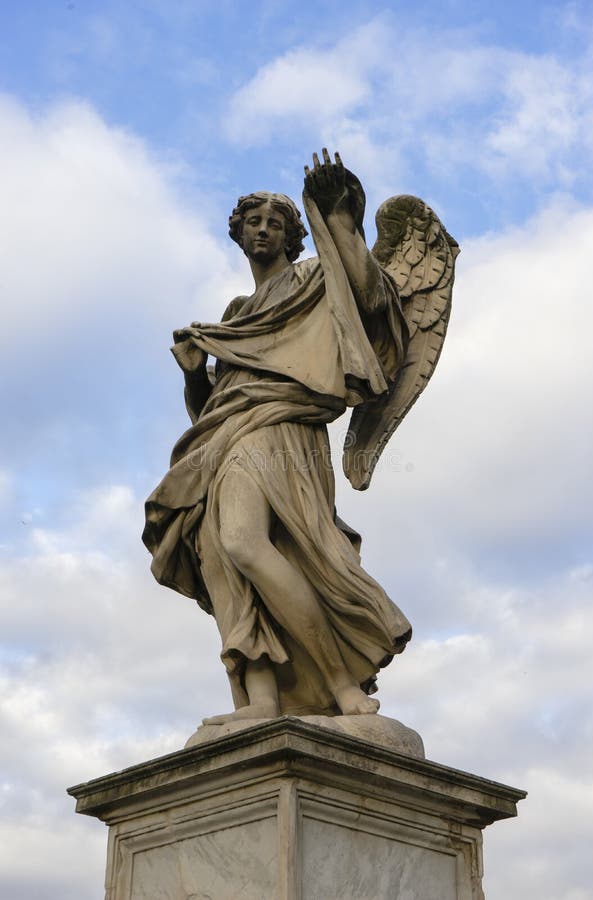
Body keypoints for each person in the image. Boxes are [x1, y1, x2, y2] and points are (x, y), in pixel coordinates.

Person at [143, 150, 412, 723]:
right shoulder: (238, 314)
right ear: (238, 234)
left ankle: (340, 683)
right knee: (223, 560)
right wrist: (194, 373)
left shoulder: (314, 276)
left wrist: (341, 223)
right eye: (253, 222)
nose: (263, 230)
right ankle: (261, 699)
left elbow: (371, 301)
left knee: (243, 541)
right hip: (223, 440)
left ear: (293, 236)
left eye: (276, 223)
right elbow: (209, 411)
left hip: (281, 431)